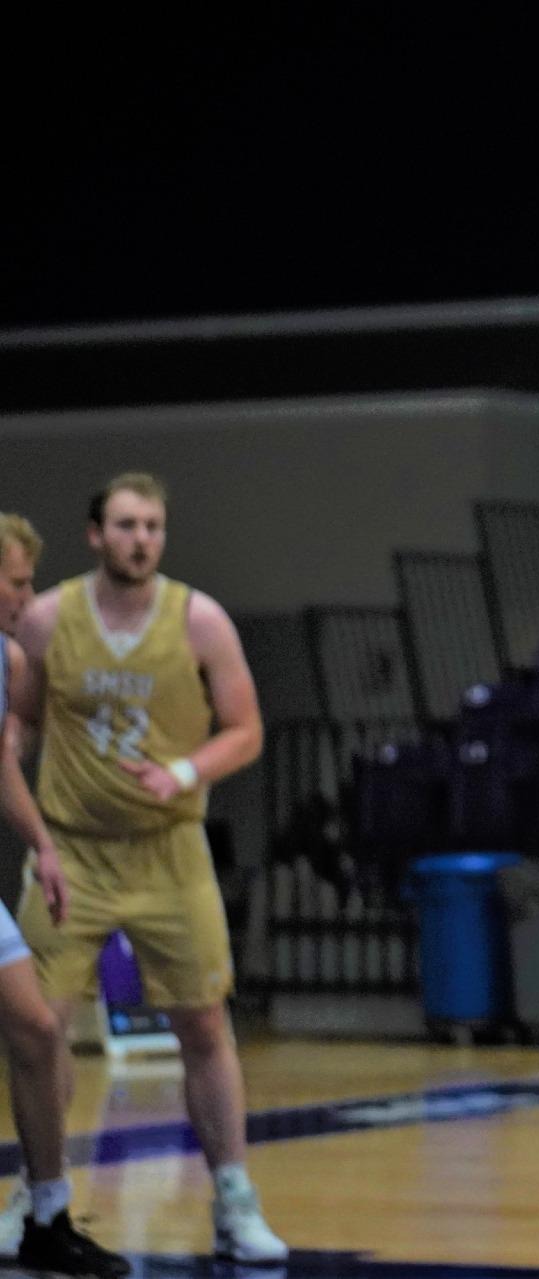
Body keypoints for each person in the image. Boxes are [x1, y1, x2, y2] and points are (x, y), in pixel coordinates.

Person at [4, 474, 289, 1261]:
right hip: (72, 850)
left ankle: (234, 1199)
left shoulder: (199, 619)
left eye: (154, 526)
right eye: (127, 524)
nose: (142, 538)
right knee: (41, 1027)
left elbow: (246, 729)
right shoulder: (47, 618)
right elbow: (15, 723)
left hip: (169, 850)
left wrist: (185, 772)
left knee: (204, 1022)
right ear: (95, 534)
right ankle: (38, 1191)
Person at [0, 515, 129, 1277]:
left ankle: (48, 1214)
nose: (28, 593)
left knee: (39, 1032)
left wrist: (44, 845)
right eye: (17, 579)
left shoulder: (5, 658)